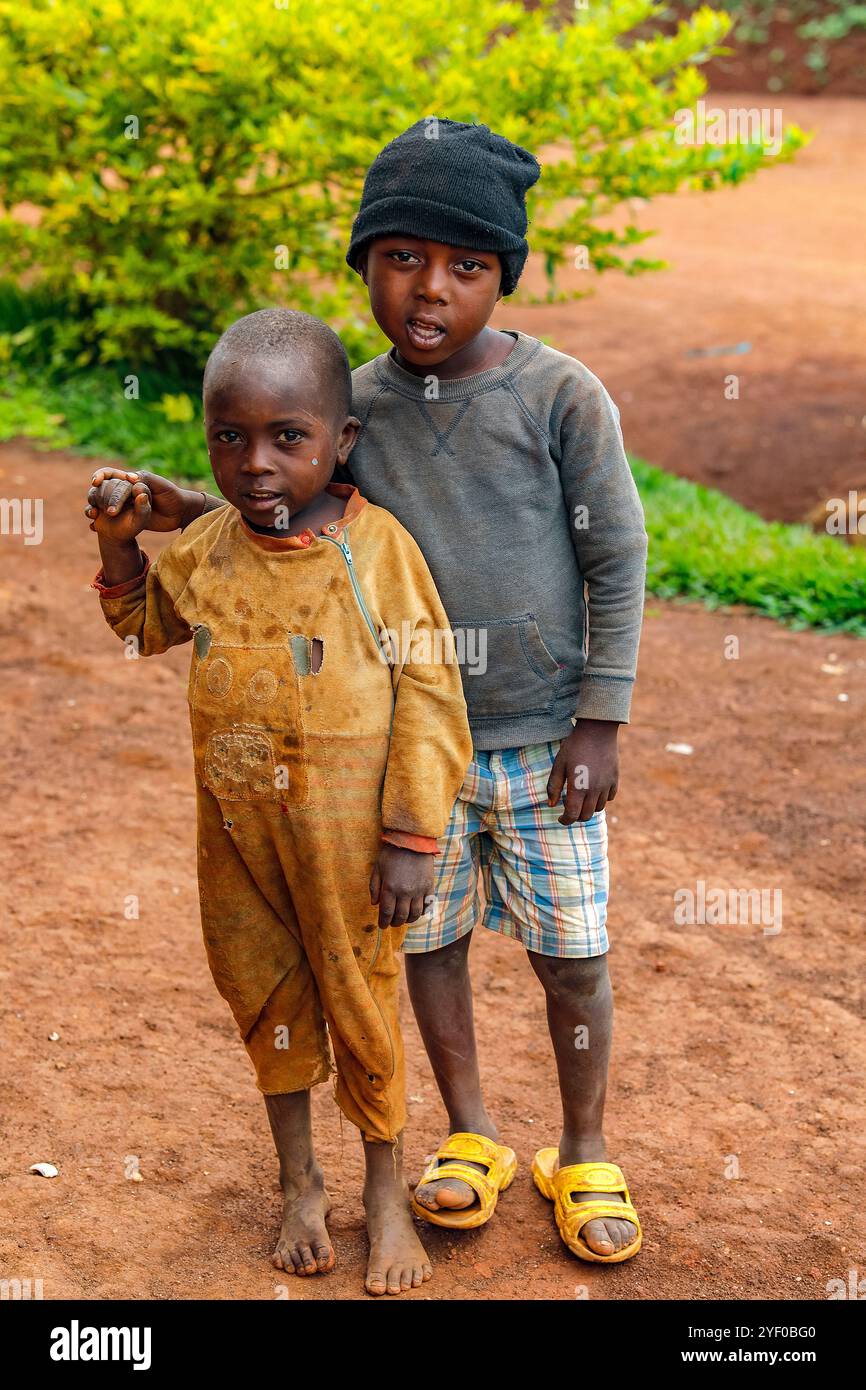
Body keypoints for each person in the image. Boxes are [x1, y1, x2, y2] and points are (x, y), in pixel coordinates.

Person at [88, 116, 648, 1264]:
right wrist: (174, 512)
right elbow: (285, 521)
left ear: (503, 275)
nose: (428, 290)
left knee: (572, 953)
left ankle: (584, 1146)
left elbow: (617, 557)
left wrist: (600, 718)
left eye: (466, 266)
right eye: (400, 258)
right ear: (363, 267)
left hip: (541, 742)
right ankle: (471, 1134)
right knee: (424, 949)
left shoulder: (559, 396)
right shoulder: (358, 400)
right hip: (399, 757)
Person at [88, 307, 472, 1295]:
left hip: (351, 846)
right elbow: (142, 628)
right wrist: (126, 547)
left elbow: (430, 692)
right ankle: (300, 1182)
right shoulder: (211, 545)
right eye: (229, 437)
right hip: (238, 837)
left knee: (359, 1005)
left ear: (339, 442)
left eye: (285, 438)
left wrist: (409, 834)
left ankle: (383, 1195)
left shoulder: (377, 551)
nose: (254, 463)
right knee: (267, 999)